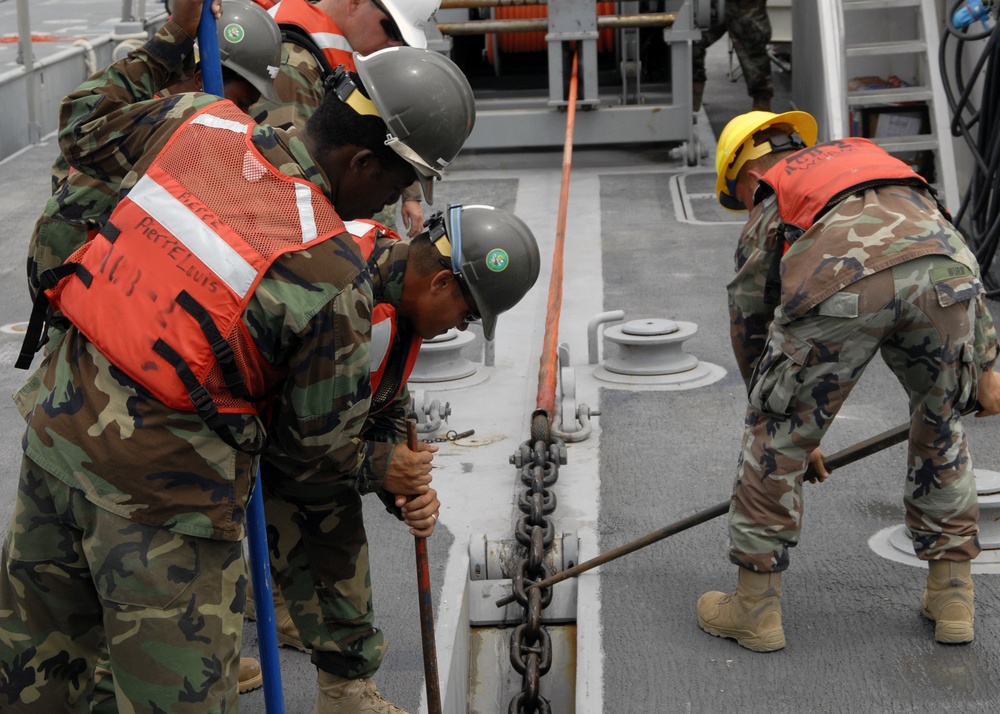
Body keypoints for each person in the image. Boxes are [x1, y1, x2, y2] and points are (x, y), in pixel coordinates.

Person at [0, 7, 499, 714]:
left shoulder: (199, 122)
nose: (389, 208)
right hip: (164, 512)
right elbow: (309, 459)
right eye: (394, 189)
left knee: (35, 689)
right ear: (362, 163)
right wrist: (383, 464)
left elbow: (82, 125)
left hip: (54, 441)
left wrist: (173, 34)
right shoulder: (332, 273)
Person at [697, 110, 1000, 653]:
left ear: (748, 174)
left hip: (845, 280)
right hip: (947, 277)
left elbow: (750, 314)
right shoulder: (873, 164)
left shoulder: (774, 191)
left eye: (739, 196)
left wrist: (787, 420)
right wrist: (987, 365)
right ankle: (952, 596)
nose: (746, 205)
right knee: (941, 424)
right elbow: (948, 245)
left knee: (775, 438)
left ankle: (755, 611)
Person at [251, 0, 444, 238]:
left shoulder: (342, 53)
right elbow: (286, 189)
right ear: (356, 2)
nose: (395, 44)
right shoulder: (293, 65)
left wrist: (409, 193)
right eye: (392, 30)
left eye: (403, 41)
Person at [692, 0, 773, 113]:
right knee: (692, 41)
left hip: (746, 5)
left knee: (754, 48)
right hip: (709, 4)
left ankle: (762, 109)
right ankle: (691, 104)